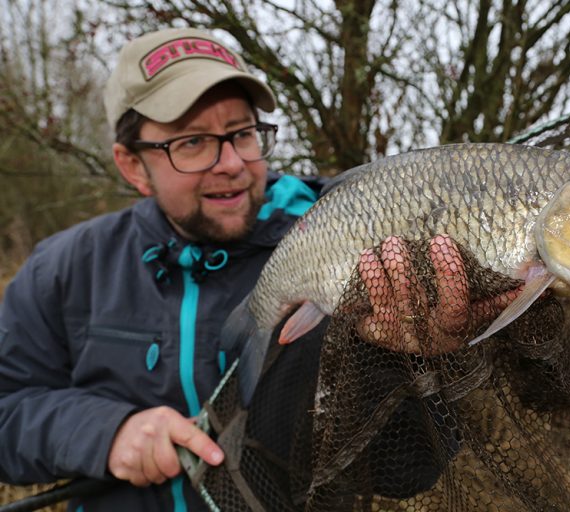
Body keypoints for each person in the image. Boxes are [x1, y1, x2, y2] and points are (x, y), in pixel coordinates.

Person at [0, 28, 519, 511]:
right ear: (133, 165)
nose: (230, 162)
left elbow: (408, 473)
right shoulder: (63, 268)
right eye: (191, 142)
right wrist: (104, 432)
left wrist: (404, 359)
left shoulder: (344, 239)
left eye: (241, 133)